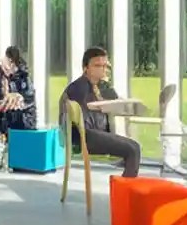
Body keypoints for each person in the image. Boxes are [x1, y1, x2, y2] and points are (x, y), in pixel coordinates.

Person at [59, 47, 141, 178]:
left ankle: (124, 186)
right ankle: (125, 192)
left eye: (104, 65)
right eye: (97, 65)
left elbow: (115, 102)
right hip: (85, 136)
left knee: (133, 146)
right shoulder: (78, 87)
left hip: (97, 132)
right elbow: (86, 111)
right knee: (133, 149)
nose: (102, 69)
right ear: (86, 68)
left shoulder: (102, 86)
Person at [0, 46, 37, 130]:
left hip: (24, 121)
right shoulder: (7, 77)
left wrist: (15, 97)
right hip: (11, 121)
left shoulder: (24, 77)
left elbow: (28, 98)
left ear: (11, 61)